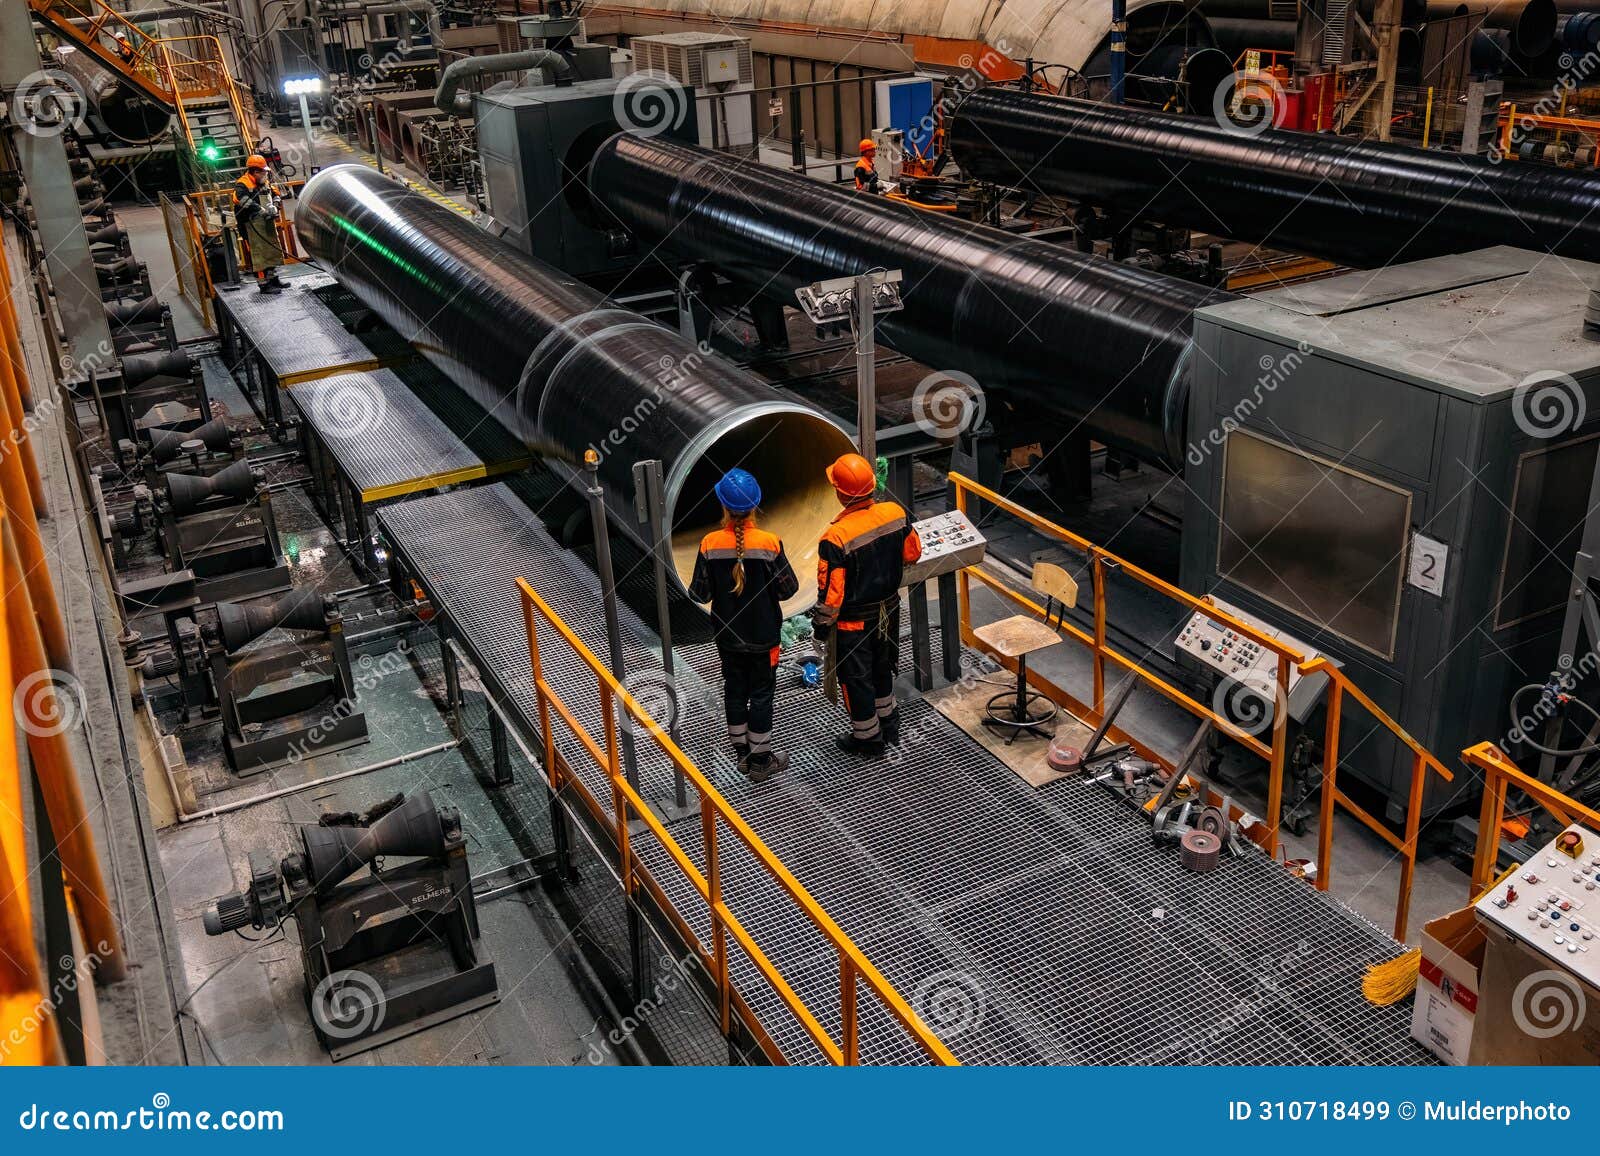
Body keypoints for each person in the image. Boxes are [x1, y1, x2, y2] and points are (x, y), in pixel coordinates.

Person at [688, 468, 799, 782]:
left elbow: (700, 592)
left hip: (728, 636)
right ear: (755, 507)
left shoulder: (709, 544)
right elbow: (787, 589)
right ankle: (762, 760)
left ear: (723, 507)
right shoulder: (769, 543)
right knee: (762, 694)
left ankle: (742, 754)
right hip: (764, 637)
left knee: (734, 690)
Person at [812, 453, 921, 755]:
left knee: (855, 678)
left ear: (840, 493)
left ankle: (867, 738)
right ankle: (889, 723)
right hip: (888, 611)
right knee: (882, 665)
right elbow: (912, 554)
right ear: (873, 485)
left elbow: (832, 594)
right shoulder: (895, 513)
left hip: (853, 623)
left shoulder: (835, 538)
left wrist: (820, 628)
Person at [233, 154, 286, 293]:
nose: (266, 174)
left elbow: (275, 193)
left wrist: (275, 204)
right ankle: (264, 285)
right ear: (255, 172)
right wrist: (261, 210)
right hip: (251, 226)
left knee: (271, 250)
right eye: (264, 171)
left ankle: (273, 279)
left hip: (266, 223)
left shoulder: (263, 181)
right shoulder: (242, 184)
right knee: (259, 255)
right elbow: (241, 199)